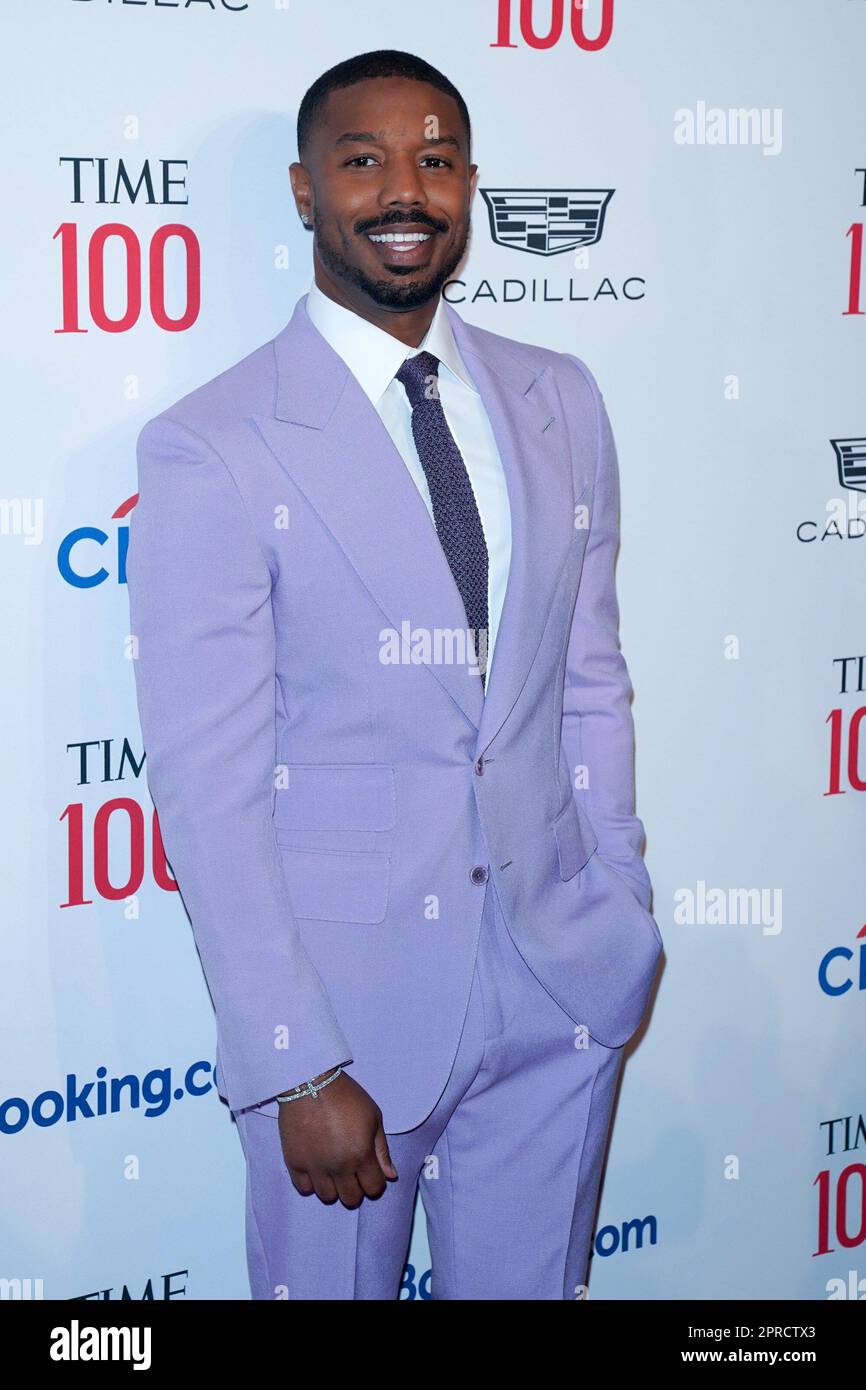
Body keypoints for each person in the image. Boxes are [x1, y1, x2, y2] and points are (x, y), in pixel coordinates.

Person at [126, 48, 663, 1301]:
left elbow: (588, 676)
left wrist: (619, 895)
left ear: (470, 183)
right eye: (361, 161)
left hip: (557, 984)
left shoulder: (559, 398)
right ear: (306, 192)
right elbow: (208, 790)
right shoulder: (214, 443)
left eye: (432, 159)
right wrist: (294, 1062)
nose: (401, 190)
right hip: (343, 1026)